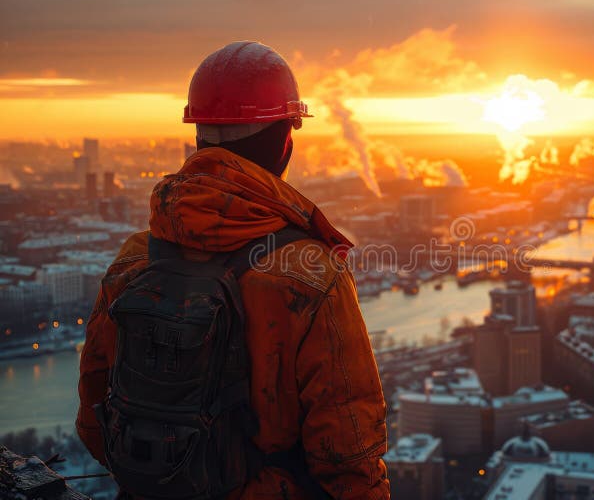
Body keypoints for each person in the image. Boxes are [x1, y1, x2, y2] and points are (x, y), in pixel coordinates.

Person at [76, 41, 390, 499]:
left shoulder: (134, 259)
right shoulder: (311, 276)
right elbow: (349, 460)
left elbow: (94, 423)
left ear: (198, 138)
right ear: (284, 140)